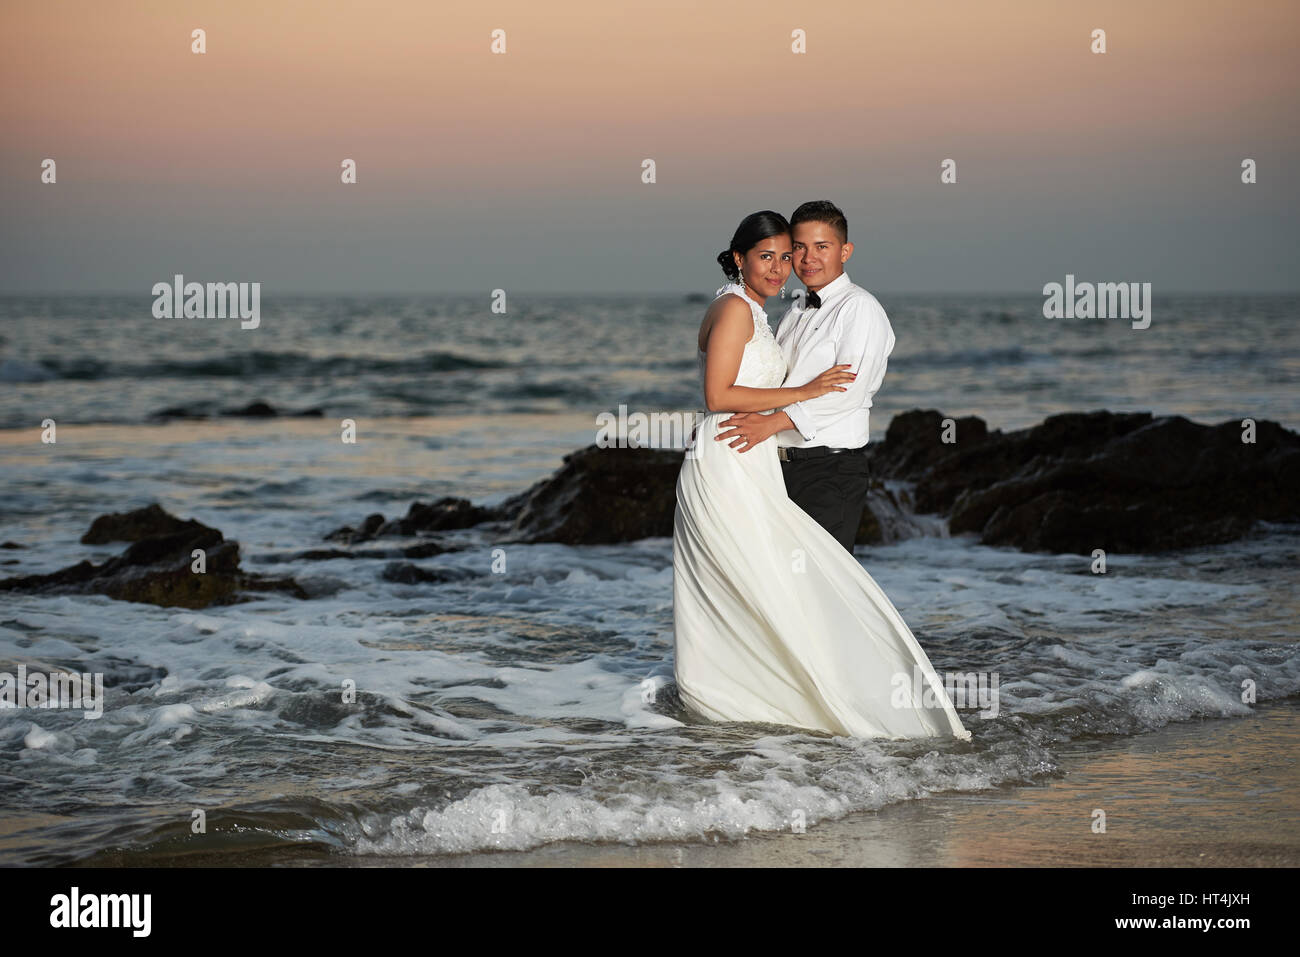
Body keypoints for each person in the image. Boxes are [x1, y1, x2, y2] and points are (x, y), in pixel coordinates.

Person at [671, 207, 971, 741]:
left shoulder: (862, 312)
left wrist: (780, 418)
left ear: (845, 251)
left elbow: (851, 393)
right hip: (767, 464)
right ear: (740, 259)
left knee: (822, 597)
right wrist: (793, 402)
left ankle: (851, 721)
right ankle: (772, 709)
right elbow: (732, 392)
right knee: (771, 593)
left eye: (811, 249)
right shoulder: (779, 312)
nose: (798, 262)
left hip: (828, 467)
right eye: (788, 252)